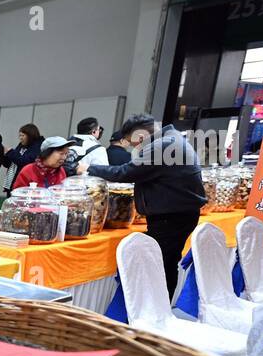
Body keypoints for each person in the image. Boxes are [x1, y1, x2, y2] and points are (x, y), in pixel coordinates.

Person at [80, 113, 206, 298]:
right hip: (179, 214)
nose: (135, 149)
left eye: (134, 144)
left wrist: (89, 169)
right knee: (167, 262)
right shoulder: (173, 138)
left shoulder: (163, 145)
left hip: (171, 217)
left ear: (140, 136)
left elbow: (126, 172)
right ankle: (160, 309)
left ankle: (157, 310)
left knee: (161, 264)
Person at [12, 136, 77, 190]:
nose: (64, 157)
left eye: (66, 154)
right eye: (61, 153)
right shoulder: (28, 170)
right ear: (47, 153)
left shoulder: (61, 171)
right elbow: (18, 194)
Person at [2, 123, 42, 194]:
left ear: (30, 135)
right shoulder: (21, 145)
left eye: (23, 135)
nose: (20, 138)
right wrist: (4, 156)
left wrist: (10, 153)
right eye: (20, 135)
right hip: (14, 182)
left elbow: (24, 161)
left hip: (26, 184)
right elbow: (12, 163)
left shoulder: (37, 147)